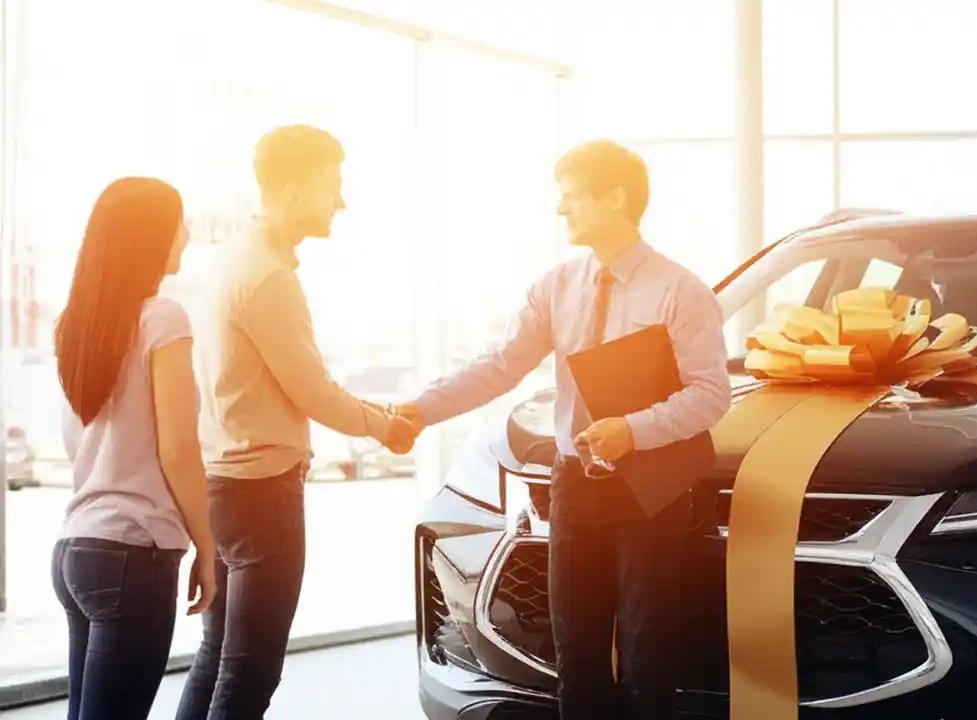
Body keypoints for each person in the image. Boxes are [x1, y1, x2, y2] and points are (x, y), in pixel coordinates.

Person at [401, 139, 732, 719]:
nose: (561, 209)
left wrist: (631, 430)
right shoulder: (556, 286)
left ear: (616, 199)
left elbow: (710, 395)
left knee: (647, 653)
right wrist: (420, 410)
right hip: (574, 484)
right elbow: (500, 366)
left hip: (649, 490)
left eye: (572, 196)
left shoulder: (681, 291)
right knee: (574, 651)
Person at [175, 125, 416, 720]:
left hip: (223, 484)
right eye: (332, 186)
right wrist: (384, 426)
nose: (341, 201)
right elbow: (313, 393)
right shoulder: (269, 278)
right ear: (291, 190)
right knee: (251, 668)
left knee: (218, 656)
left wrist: (372, 413)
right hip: (261, 493)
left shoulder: (234, 258)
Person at [53, 177, 218, 720]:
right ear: (149, 236)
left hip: (77, 550)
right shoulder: (163, 318)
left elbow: (79, 443)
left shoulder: (77, 328)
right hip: (132, 554)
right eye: (177, 224)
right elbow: (177, 449)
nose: (187, 235)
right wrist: (207, 547)